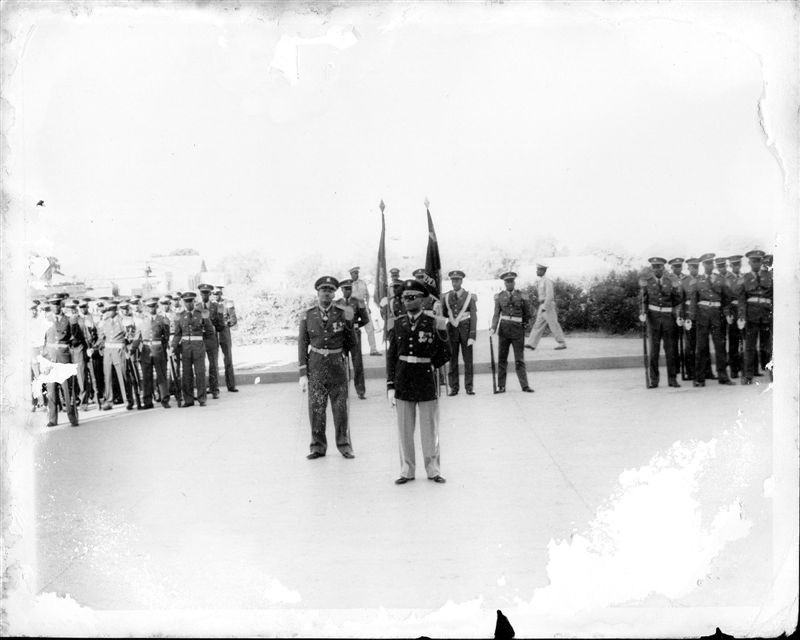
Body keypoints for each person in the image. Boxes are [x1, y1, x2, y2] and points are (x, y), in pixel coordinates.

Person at [386, 279, 451, 485]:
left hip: (425, 379)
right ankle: (407, 469)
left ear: (422, 300)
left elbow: (446, 352)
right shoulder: (397, 324)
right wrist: (390, 384)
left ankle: (432, 469)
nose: (407, 301)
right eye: (404, 298)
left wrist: (431, 364)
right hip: (403, 379)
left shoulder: (435, 322)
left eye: (411, 297)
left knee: (429, 428)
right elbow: (391, 357)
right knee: (405, 429)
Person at [298, 276, 357, 459]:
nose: (327, 294)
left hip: (336, 365)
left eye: (331, 290)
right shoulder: (307, 314)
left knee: (340, 408)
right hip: (315, 365)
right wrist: (302, 373)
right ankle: (317, 446)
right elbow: (302, 344)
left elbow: (351, 341)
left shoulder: (344, 312)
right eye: (324, 290)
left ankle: (344, 445)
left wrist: (345, 360)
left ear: (334, 293)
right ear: (318, 292)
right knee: (316, 408)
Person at [687, 253, 733, 387]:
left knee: (720, 347)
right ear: (703, 265)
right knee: (701, 347)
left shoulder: (720, 279)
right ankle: (700, 379)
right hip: (702, 316)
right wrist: (691, 318)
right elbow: (693, 300)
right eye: (707, 263)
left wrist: (726, 313)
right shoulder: (698, 280)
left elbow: (727, 297)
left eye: (711, 263)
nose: (709, 265)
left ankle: (723, 377)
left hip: (717, 316)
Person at [638, 257, 684, 388]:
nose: (657, 269)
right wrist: (643, 313)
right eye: (654, 267)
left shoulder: (670, 281)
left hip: (668, 317)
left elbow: (677, 299)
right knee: (654, 351)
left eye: (659, 266)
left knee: (670, 351)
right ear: (651, 268)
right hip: (653, 318)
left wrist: (676, 288)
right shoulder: (647, 282)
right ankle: (654, 380)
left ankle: (672, 379)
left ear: (663, 268)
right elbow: (643, 300)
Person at [490, 271, 534, 393]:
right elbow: (496, 314)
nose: (509, 284)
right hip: (504, 330)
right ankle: (501, 386)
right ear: (504, 283)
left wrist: (523, 325)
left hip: (517, 330)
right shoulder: (499, 297)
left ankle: (525, 386)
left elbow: (527, 313)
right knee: (502, 358)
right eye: (507, 282)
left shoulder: (522, 296)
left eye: (511, 281)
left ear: (514, 282)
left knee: (519, 359)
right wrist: (493, 327)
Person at [42, 295, 80, 427]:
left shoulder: (69, 320)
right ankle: (52, 419)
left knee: (67, 389)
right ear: (50, 306)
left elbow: (75, 338)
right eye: (53, 304)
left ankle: (72, 417)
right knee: (51, 389)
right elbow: (42, 339)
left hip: (64, 357)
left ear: (61, 305)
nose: (55, 306)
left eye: (57, 304)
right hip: (50, 358)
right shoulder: (45, 320)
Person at [172, 291, 215, 407]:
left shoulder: (202, 314)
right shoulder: (180, 316)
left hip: (198, 347)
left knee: (200, 372)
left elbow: (210, 332)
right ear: (183, 302)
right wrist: (173, 346)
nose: (188, 304)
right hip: (185, 348)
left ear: (194, 301)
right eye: (186, 301)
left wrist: (204, 344)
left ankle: (202, 399)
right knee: (186, 374)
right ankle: (188, 400)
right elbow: (177, 334)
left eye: (190, 301)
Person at [738, 249, 773, 384]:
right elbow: (741, 299)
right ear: (749, 263)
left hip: (766, 316)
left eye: (758, 261)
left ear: (761, 262)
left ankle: (773, 375)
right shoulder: (745, 278)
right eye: (753, 261)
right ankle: (748, 376)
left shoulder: (769, 276)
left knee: (769, 347)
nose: (756, 264)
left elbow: (773, 297)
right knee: (750, 347)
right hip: (751, 316)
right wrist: (741, 316)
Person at [440, 269, 477, 396]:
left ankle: (469, 387)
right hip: (452, 331)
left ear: (461, 281)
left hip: (466, 330)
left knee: (468, 360)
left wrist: (472, 334)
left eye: (457, 280)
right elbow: (444, 312)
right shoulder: (447, 296)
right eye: (453, 280)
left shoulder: (469, 297)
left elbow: (473, 316)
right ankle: (454, 387)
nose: (454, 283)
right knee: (453, 360)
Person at [134, 298, 171, 408]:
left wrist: (161, 348)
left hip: (158, 350)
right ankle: (147, 401)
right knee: (146, 377)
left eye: (153, 306)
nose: (151, 308)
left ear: (156, 307)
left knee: (162, 376)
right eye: (149, 307)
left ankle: (165, 399)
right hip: (146, 351)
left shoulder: (162, 319)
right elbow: (137, 337)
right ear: (146, 308)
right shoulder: (142, 321)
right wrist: (133, 349)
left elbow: (166, 337)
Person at [97, 302, 134, 410]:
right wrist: (96, 347)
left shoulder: (123, 320)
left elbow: (130, 336)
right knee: (107, 376)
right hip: (108, 351)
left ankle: (128, 400)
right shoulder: (104, 322)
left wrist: (128, 348)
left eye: (109, 310)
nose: (107, 313)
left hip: (119, 350)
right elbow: (101, 337)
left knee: (123, 375)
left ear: (114, 310)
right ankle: (108, 401)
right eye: (106, 310)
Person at [337, 278, 369, 399]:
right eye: (345, 289)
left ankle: (360, 391)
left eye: (349, 289)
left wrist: (355, 325)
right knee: (342, 364)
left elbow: (365, 319)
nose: (348, 291)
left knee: (357, 363)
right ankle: (343, 391)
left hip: (354, 335)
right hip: (341, 336)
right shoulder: (338, 303)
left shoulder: (358, 302)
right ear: (341, 290)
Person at [525, 263, 567, 351]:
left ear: (543, 271)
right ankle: (532, 343)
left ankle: (562, 343)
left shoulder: (547, 281)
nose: (536, 271)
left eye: (538, 270)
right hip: (542, 305)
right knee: (538, 324)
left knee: (553, 324)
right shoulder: (541, 281)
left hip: (547, 305)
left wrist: (545, 306)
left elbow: (550, 295)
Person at [197, 283, 226, 399]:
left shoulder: (216, 306)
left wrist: (215, 327)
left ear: (210, 294)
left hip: (212, 338)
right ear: (200, 294)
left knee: (213, 364)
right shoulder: (197, 306)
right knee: (201, 366)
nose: (204, 295)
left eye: (207, 293)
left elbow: (221, 324)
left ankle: (214, 389)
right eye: (202, 293)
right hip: (200, 338)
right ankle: (203, 390)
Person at [348, 266, 381, 356]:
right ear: (351, 274)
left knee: (370, 328)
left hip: (363, 306)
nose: (356, 275)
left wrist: (368, 306)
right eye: (354, 273)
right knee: (354, 330)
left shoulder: (363, 283)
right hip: (354, 309)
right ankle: (356, 352)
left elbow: (368, 295)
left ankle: (373, 350)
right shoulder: (349, 284)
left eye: (357, 273)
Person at [212, 286, 239, 392]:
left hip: (224, 331)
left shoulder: (228, 302)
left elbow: (233, 318)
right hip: (213, 332)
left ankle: (231, 385)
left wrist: (226, 324)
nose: (216, 295)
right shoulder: (210, 304)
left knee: (227, 358)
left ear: (221, 293)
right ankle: (214, 386)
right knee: (213, 360)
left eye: (218, 293)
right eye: (214, 294)